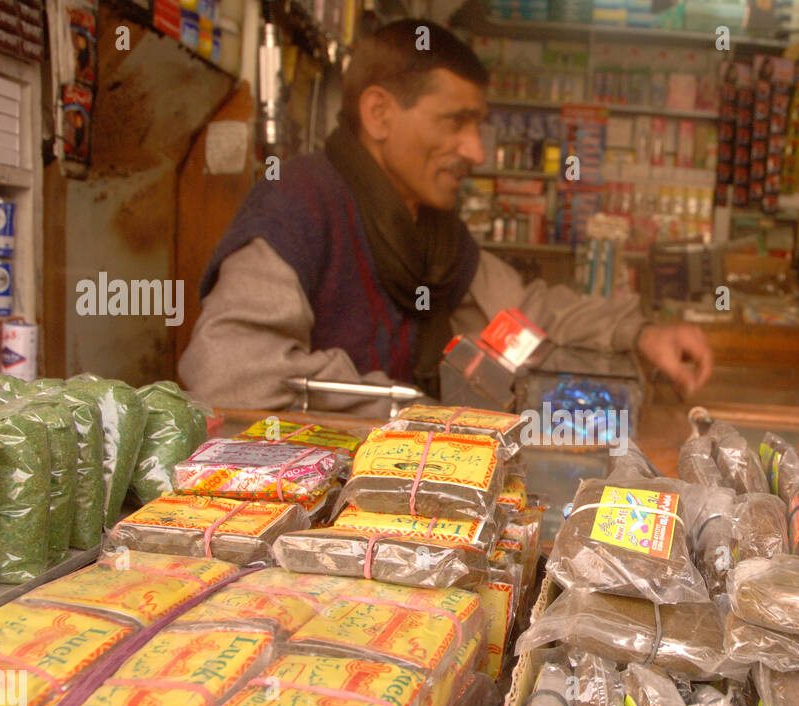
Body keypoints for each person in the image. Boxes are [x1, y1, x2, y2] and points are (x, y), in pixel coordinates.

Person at [178, 19, 713, 415]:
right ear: (379, 113)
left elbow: (526, 312)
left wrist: (640, 333)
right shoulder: (298, 201)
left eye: (478, 125)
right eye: (456, 122)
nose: (476, 151)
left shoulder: (438, 236)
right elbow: (228, 373)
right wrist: (410, 412)